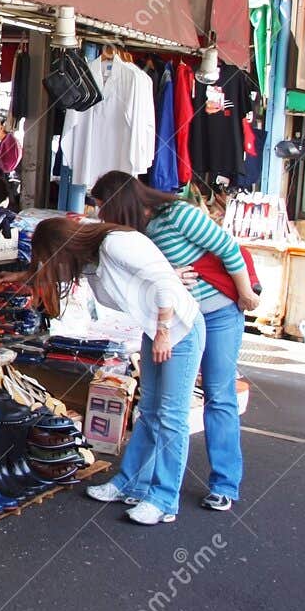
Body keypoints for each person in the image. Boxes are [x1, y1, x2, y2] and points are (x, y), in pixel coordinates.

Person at [89, 172, 256, 513]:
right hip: (174, 316)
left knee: (218, 394)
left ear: (120, 202)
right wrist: (171, 275)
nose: (100, 215)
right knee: (153, 404)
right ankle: (135, 481)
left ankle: (224, 483)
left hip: (219, 311)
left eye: (103, 206)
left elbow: (227, 248)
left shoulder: (180, 215)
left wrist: (246, 294)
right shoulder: (135, 232)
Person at [27, 214, 203, 526]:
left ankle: (164, 499)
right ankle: (131, 483)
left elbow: (163, 282)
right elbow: (153, 277)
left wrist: (163, 331)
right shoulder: (93, 258)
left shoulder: (114, 244)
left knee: (171, 416)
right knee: (148, 411)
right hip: (156, 328)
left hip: (180, 329)